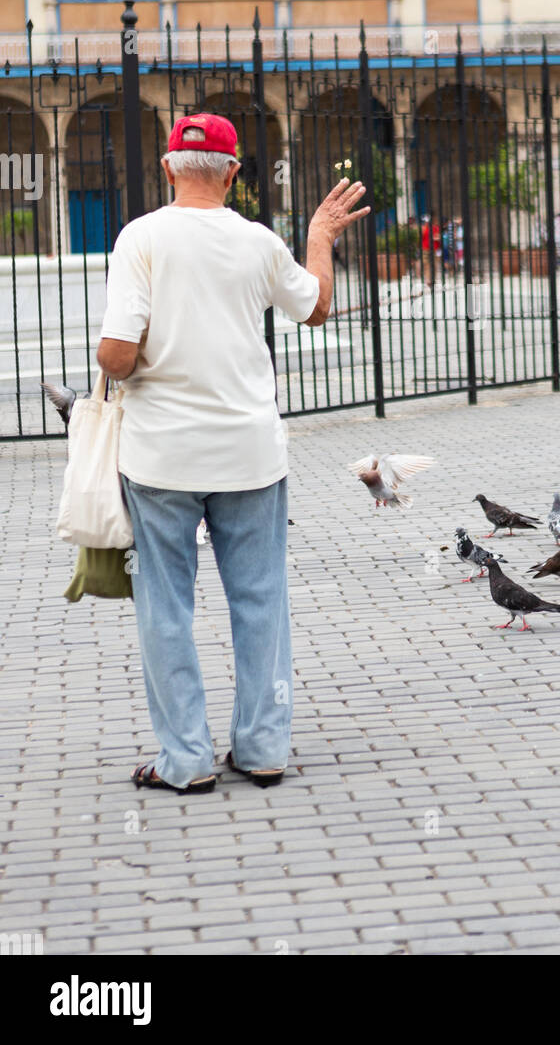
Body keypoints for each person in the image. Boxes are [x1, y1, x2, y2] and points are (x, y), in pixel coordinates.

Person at [96, 113, 369, 793]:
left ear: (166, 169)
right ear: (234, 173)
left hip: (161, 458)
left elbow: (118, 358)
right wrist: (319, 238)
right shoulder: (258, 242)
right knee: (259, 600)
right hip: (250, 454)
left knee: (166, 606)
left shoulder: (142, 238)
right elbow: (315, 308)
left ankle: (185, 761)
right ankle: (263, 748)